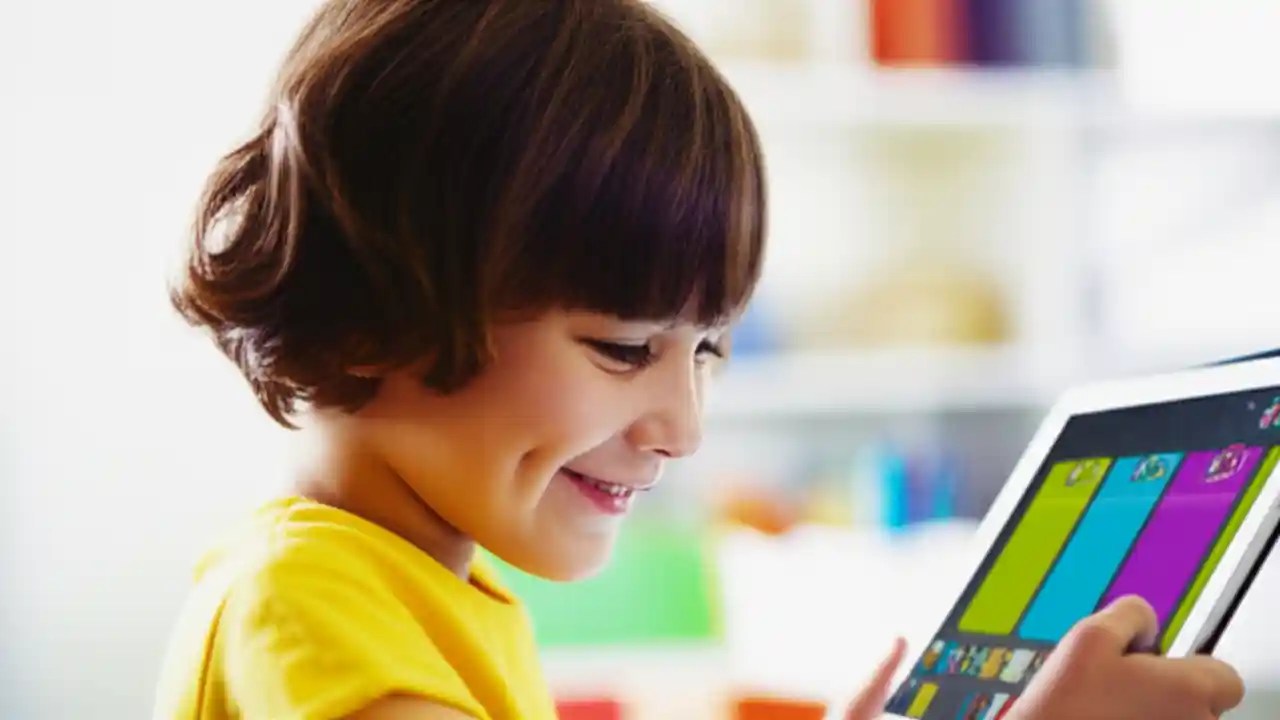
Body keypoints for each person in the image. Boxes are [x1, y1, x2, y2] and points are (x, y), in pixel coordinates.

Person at [151, 1, 1247, 719]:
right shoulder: (306, 603)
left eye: (705, 350)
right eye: (624, 347)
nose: (681, 425)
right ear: (365, 306)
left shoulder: (420, 585)